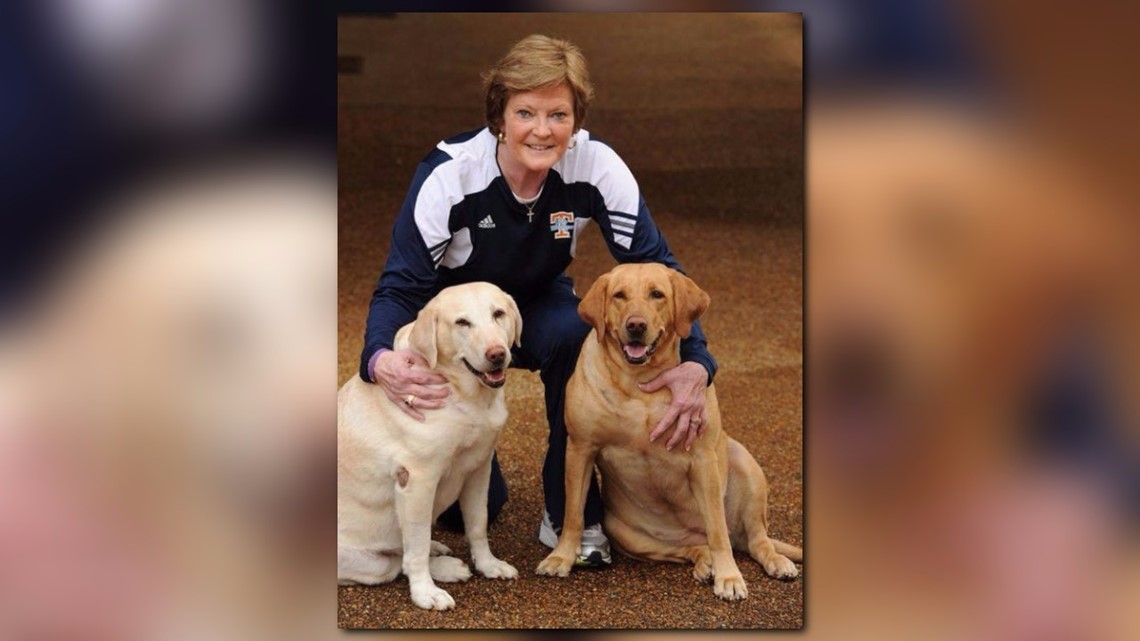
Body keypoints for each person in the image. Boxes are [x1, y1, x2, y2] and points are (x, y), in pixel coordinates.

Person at [359, 34, 718, 567]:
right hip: (459, 318)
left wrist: (697, 364)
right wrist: (379, 358)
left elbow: (659, 267)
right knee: (464, 504)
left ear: (575, 122)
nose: (542, 129)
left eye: (559, 114)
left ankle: (571, 517)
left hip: (539, 304)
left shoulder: (596, 166)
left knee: (579, 335)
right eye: (525, 112)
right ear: (498, 118)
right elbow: (401, 286)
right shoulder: (450, 175)